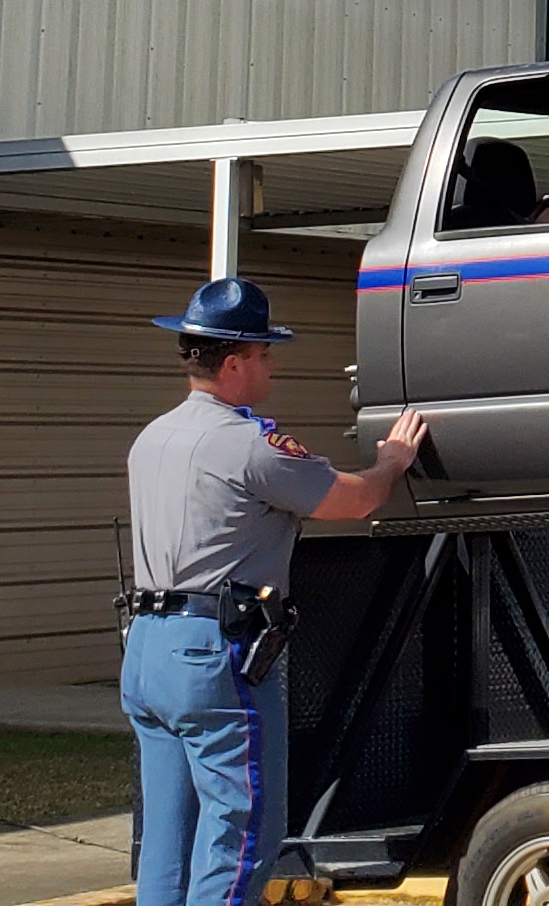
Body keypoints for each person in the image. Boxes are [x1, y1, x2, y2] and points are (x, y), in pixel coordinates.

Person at [123, 277, 426, 906]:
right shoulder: (247, 444)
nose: (271, 365)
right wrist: (393, 458)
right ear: (233, 363)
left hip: (147, 647)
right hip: (214, 654)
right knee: (241, 836)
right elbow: (356, 499)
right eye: (264, 353)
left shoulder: (152, 437)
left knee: (169, 840)